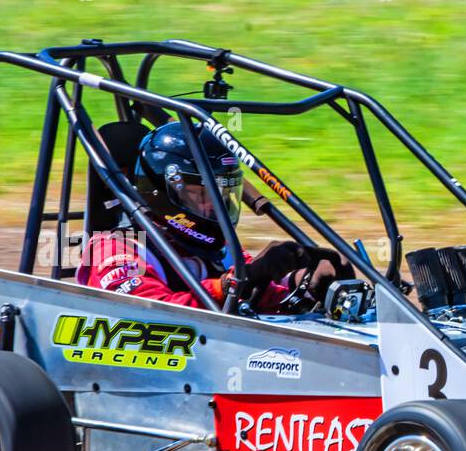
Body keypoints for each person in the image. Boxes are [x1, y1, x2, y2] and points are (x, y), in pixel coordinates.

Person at [77, 120, 350, 310]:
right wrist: (227, 286)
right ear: (164, 191)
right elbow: (148, 314)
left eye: (222, 195)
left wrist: (301, 284)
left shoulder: (215, 248)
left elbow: (255, 292)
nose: (213, 208)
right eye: (202, 194)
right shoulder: (117, 250)